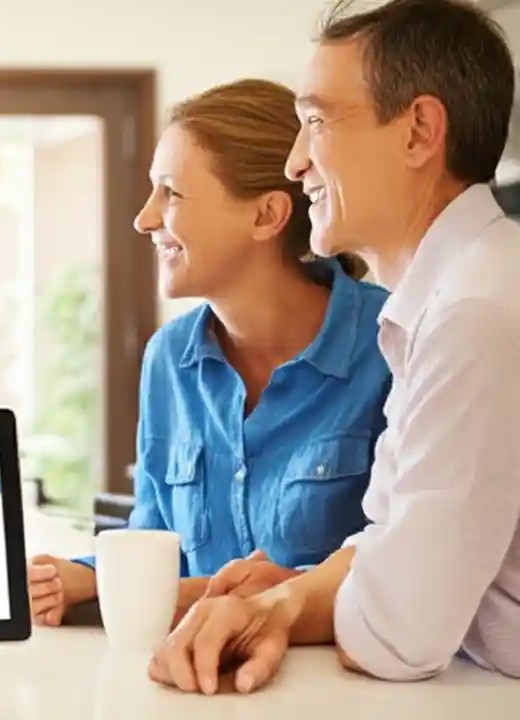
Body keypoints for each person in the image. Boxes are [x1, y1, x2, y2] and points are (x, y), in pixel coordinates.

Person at [149, 0, 520, 695]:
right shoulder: (449, 299)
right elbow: (386, 544)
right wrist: (287, 600)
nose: (295, 164)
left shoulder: (473, 312)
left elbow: (399, 633)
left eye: (316, 122)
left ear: (419, 132)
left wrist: (288, 605)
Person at [28, 78, 391, 627]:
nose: (144, 219)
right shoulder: (170, 358)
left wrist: (243, 596)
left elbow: (408, 568)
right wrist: (81, 576)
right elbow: (156, 547)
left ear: (266, 215)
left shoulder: (392, 342)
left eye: (171, 193)